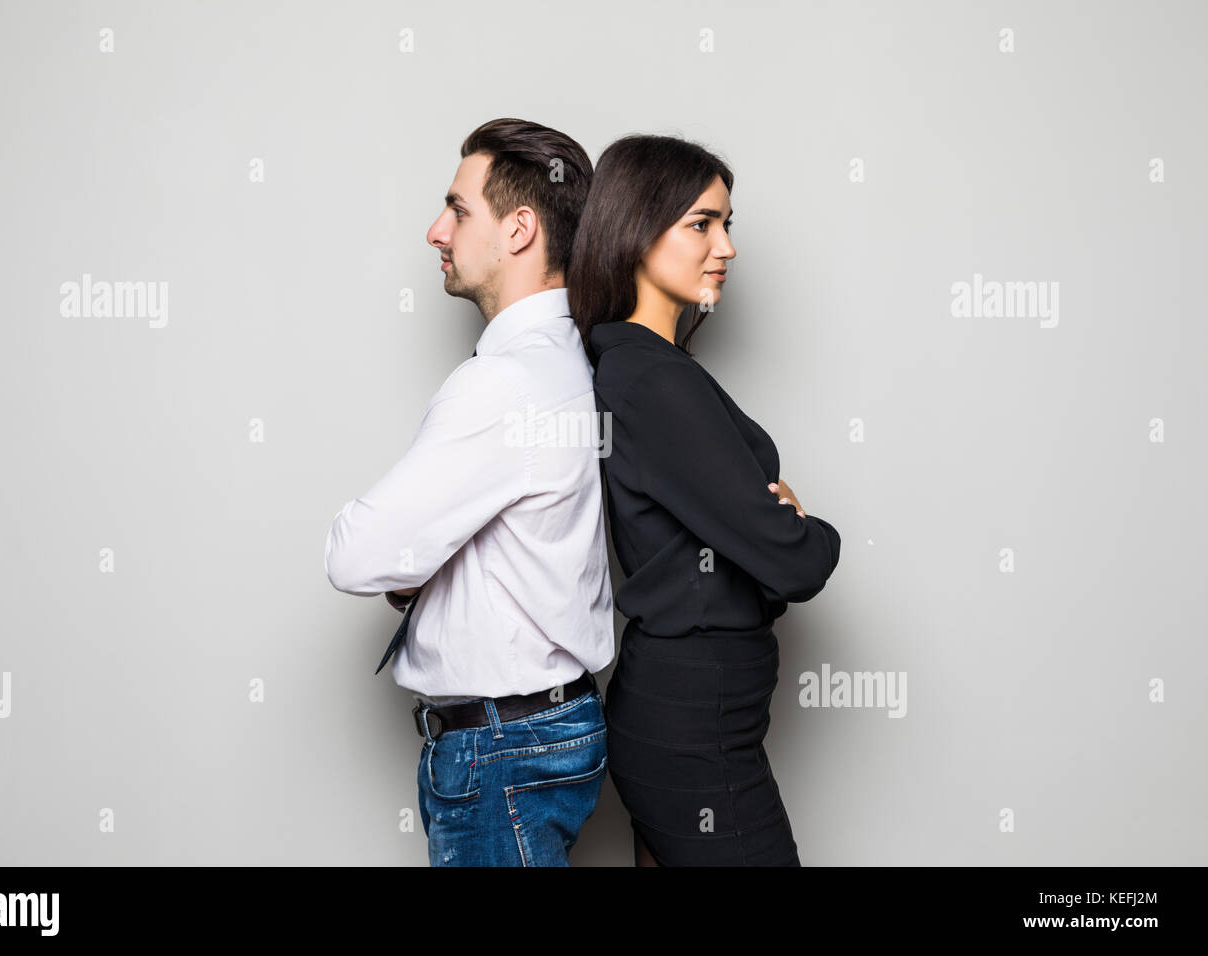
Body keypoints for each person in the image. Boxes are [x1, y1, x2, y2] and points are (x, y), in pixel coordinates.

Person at [323, 118, 614, 866]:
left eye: (458, 209)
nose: (435, 230)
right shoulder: (568, 361)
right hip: (542, 730)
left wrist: (410, 563)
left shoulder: (503, 384)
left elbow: (357, 557)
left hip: (502, 752)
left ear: (519, 229)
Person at [568, 134, 842, 866]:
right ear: (633, 229)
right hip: (692, 721)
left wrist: (766, 526)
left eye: (727, 223)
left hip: (688, 712)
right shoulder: (651, 380)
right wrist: (810, 529)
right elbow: (794, 564)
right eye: (701, 223)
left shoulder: (640, 367)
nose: (725, 246)